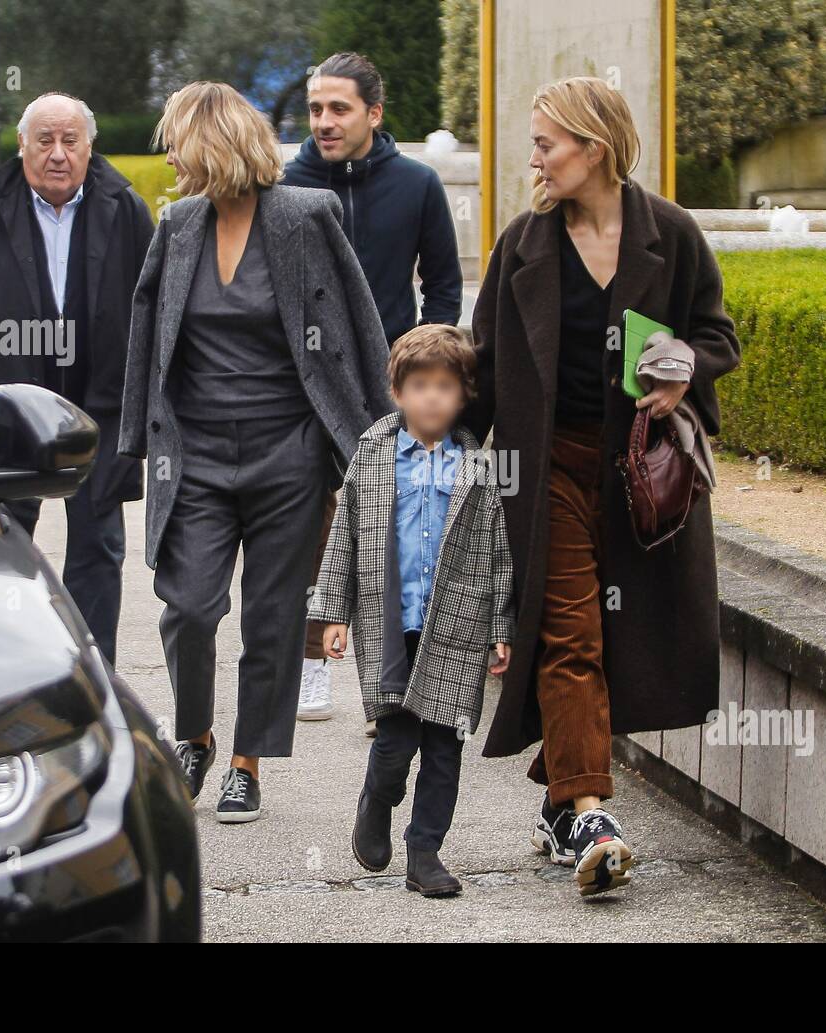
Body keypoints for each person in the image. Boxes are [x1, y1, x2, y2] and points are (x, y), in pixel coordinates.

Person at [464, 77, 741, 897]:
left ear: (595, 145)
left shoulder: (674, 234)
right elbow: (484, 364)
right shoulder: (523, 243)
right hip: (546, 467)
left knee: (627, 640)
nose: (536, 157)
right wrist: (422, 441)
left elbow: (716, 334)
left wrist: (684, 370)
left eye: (549, 142)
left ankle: (559, 798)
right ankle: (590, 811)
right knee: (571, 632)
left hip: (639, 471)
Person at [119, 82, 390, 822]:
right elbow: (149, 337)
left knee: (272, 616)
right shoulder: (176, 225)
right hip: (197, 455)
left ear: (212, 143)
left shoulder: (306, 216)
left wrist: (379, 432)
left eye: (177, 138)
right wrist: (133, 442)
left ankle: (247, 761)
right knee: (189, 606)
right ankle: (196, 734)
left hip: (288, 455)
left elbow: (359, 325)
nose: (170, 153)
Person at [0, 92, 154, 665]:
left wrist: (136, 391)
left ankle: (91, 673)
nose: (57, 153)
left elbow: (154, 305)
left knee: (98, 547)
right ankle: (8, 665)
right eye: (44, 141)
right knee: (3, 544)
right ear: (22, 146)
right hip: (10, 410)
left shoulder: (124, 208)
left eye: (70, 141)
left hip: (99, 405)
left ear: (88, 147)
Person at [284, 51, 463, 722]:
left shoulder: (416, 185)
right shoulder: (288, 184)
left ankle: (392, 678)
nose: (324, 122)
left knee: (396, 532)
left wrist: (422, 364)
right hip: (307, 384)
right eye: (315, 109)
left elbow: (442, 282)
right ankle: (309, 663)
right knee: (311, 528)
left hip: (390, 387)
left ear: (374, 113)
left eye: (339, 108)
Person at [309, 324, 514, 896]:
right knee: (396, 742)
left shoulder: (477, 466)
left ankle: (425, 853)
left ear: (463, 395)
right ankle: (377, 800)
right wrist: (333, 615)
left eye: (445, 386)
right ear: (398, 391)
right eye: (419, 384)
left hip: (456, 625)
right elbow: (344, 538)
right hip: (390, 623)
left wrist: (501, 626)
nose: (431, 397)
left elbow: (498, 552)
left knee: (445, 746)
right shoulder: (372, 456)